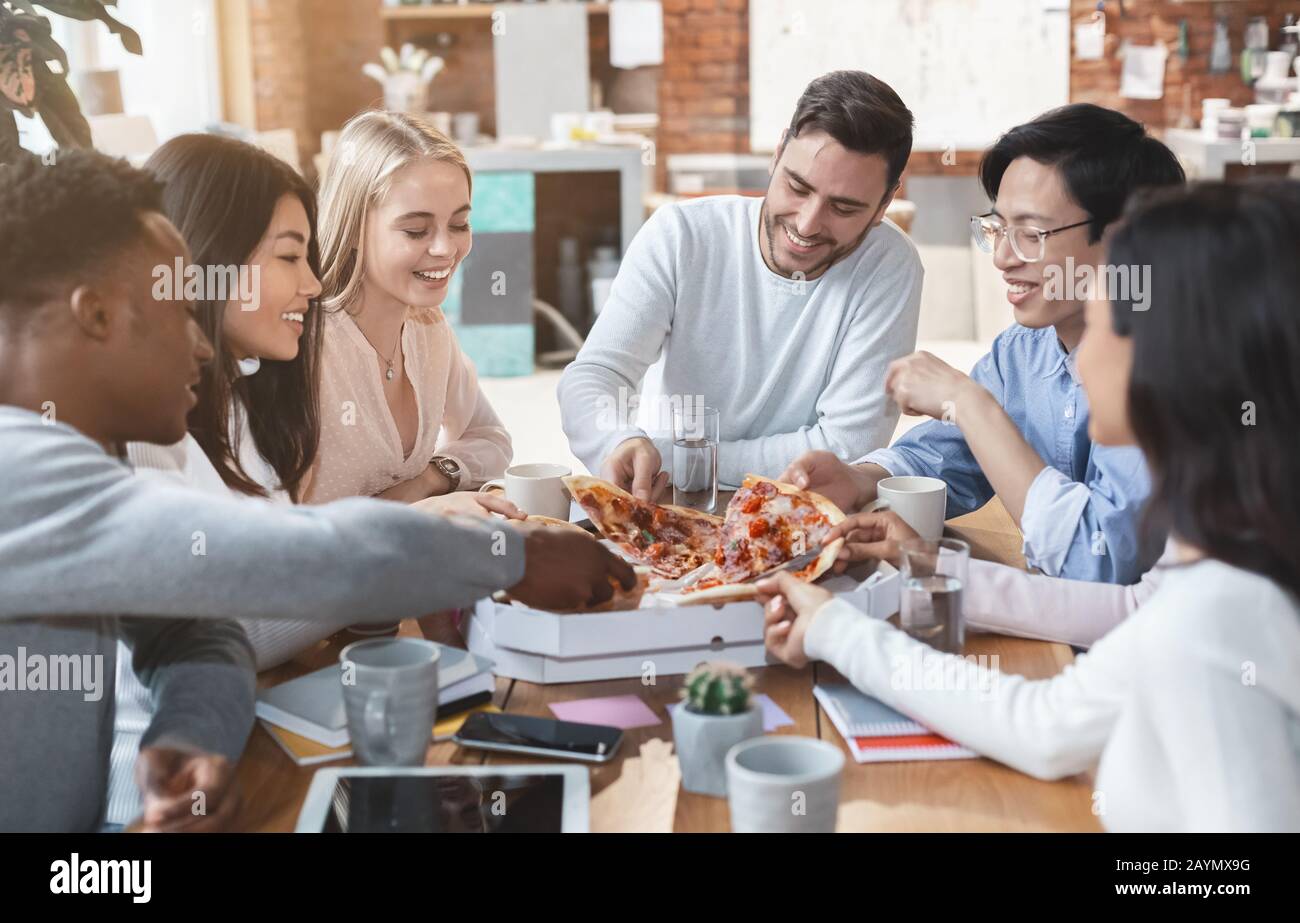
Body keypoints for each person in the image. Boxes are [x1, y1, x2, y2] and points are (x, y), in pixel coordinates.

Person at [0, 150, 632, 832]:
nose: (204, 344)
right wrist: (515, 550)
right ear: (95, 314)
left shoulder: (78, 455)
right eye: (179, 308)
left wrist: (190, 740)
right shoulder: (19, 468)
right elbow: (274, 558)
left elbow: (195, 631)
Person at [759, 180, 1300, 832]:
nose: (1076, 358)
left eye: (1098, 324)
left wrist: (836, 630)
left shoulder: (1216, 617)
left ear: (1172, 361)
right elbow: (1094, 663)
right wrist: (928, 568)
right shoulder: (1232, 551)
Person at [106, 134, 527, 827]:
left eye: (460, 222)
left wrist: (413, 517)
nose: (312, 282)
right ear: (208, 261)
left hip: (243, 751)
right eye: (291, 257)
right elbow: (232, 618)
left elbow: (248, 604)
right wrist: (408, 537)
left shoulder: (236, 403)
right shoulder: (145, 429)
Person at [782, 105, 1185, 584]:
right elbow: (953, 454)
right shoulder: (1023, 351)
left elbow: (1099, 563)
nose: (1001, 258)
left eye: (1031, 234)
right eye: (998, 229)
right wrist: (860, 478)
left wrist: (969, 404)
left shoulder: (1171, 367)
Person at [558, 70, 923, 499]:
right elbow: (595, 375)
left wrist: (675, 456)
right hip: (665, 500)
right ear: (776, 154)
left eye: (843, 207)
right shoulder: (682, 234)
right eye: (797, 186)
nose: (807, 224)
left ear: (884, 204)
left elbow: (847, 447)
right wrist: (616, 441)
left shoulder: (889, 266)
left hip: (793, 512)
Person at [307, 110, 512, 504]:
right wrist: (399, 512)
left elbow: (491, 438)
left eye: (459, 224)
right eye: (416, 230)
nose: (446, 249)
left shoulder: (427, 328)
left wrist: (429, 480)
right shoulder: (307, 346)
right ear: (352, 228)